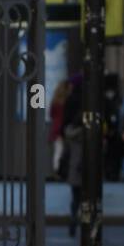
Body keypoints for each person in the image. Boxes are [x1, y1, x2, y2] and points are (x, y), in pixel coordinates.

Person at [62, 74, 84, 237]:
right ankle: (86, 223)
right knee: (87, 197)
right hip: (88, 167)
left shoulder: (71, 133)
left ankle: (73, 219)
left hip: (75, 167)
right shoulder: (87, 100)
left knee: (75, 198)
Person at [48, 80, 70, 180]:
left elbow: (51, 114)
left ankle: (57, 171)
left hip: (56, 127)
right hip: (66, 126)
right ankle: (64, 171)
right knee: (67, 150)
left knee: (58, 151)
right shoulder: (68, 100)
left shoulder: (55, 100)